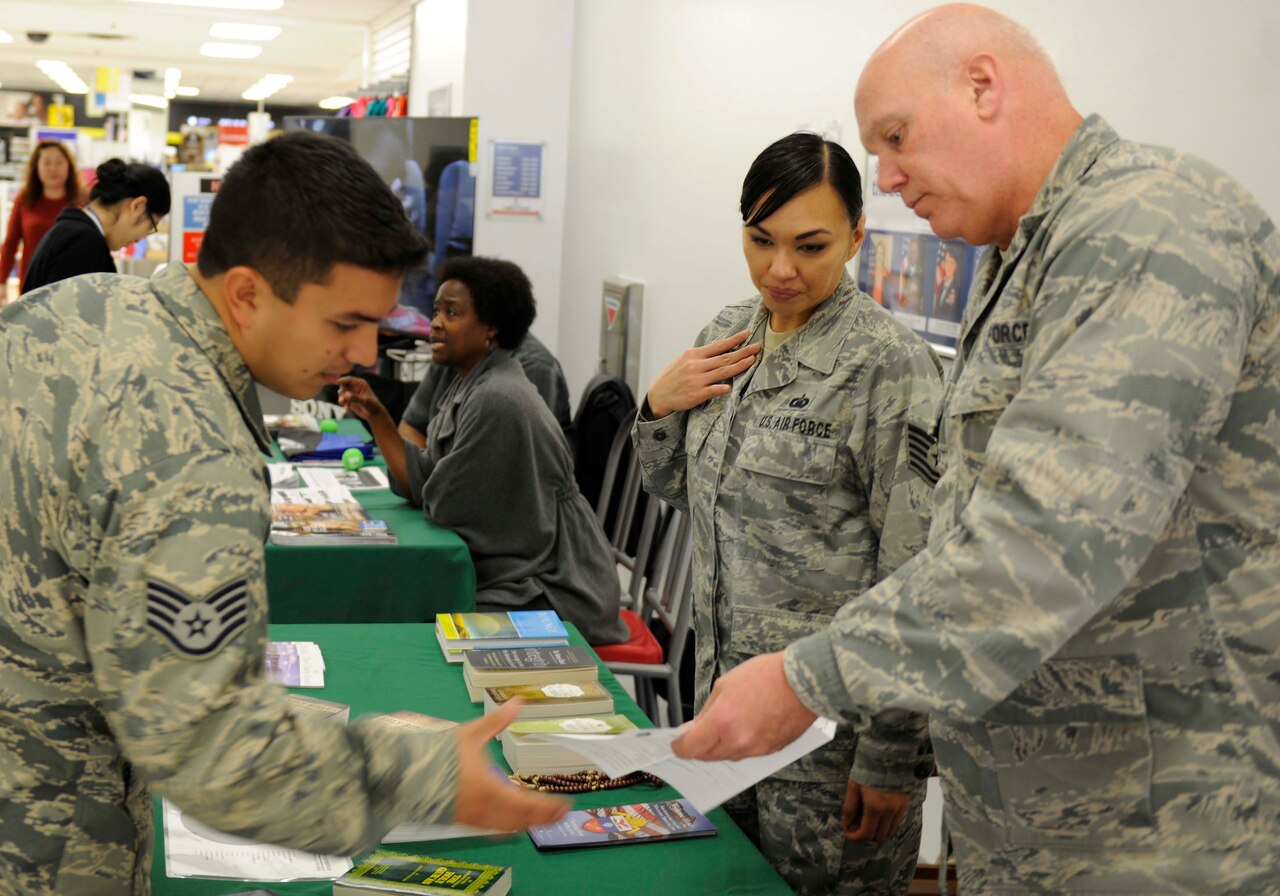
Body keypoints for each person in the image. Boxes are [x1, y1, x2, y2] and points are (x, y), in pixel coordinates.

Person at [671, 5, 1280, 894]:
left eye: (895, 136)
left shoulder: (1146, 227)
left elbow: (1046, 542)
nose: (885, 177)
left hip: (1152, 834)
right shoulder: (1022, 254)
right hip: (1038, 819)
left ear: (983, 85)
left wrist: (806, 678)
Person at [0, 132, 566, 894]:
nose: (367, 351)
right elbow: (212, 746)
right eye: (344, 324)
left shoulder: (85, 303)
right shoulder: (190, 447)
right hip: (40, 825)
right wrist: (424, 775)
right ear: (245, 293)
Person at [633, 132, 943, 895]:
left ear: (857, 237)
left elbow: (918, 577)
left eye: (810, 245)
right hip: (723, 713)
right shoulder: (729, 335)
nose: (780, 269)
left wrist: (888, 757)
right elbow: (675, 489)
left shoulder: (887, 366)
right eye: (760, 240)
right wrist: (656, 406)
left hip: (830, 743)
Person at [338, 255, 628, 646]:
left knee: (415, 614)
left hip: (556, 588)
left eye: (452, 313)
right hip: (525, 574)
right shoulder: (470, 380)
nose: (436, 322)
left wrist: (428, 481)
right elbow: (423, 483)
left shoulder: (497, 397)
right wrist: (376, 414)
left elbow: (442, 504)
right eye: (437, 310)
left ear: (490, 329)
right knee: (404, 599)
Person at [22, 158, 171, 294]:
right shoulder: (84, 243)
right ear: (137, 206)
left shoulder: (73, 230)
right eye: (150, 226)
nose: (140, 239)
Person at [398, 327, 573, 444]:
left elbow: (517, 466)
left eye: (452, 312)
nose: (437, 323)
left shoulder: (534, 367)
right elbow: (411, 429)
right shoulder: (452, 348)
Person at [0, 139, 84, 294]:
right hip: (32, 285)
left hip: (72, 288)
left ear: (69, 167)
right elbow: (11, 243)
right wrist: (2, 281)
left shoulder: (81, 201)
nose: (53, 168)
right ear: (36, 167)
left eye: (59, 162)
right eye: (47, 163)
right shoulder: (25, 199)